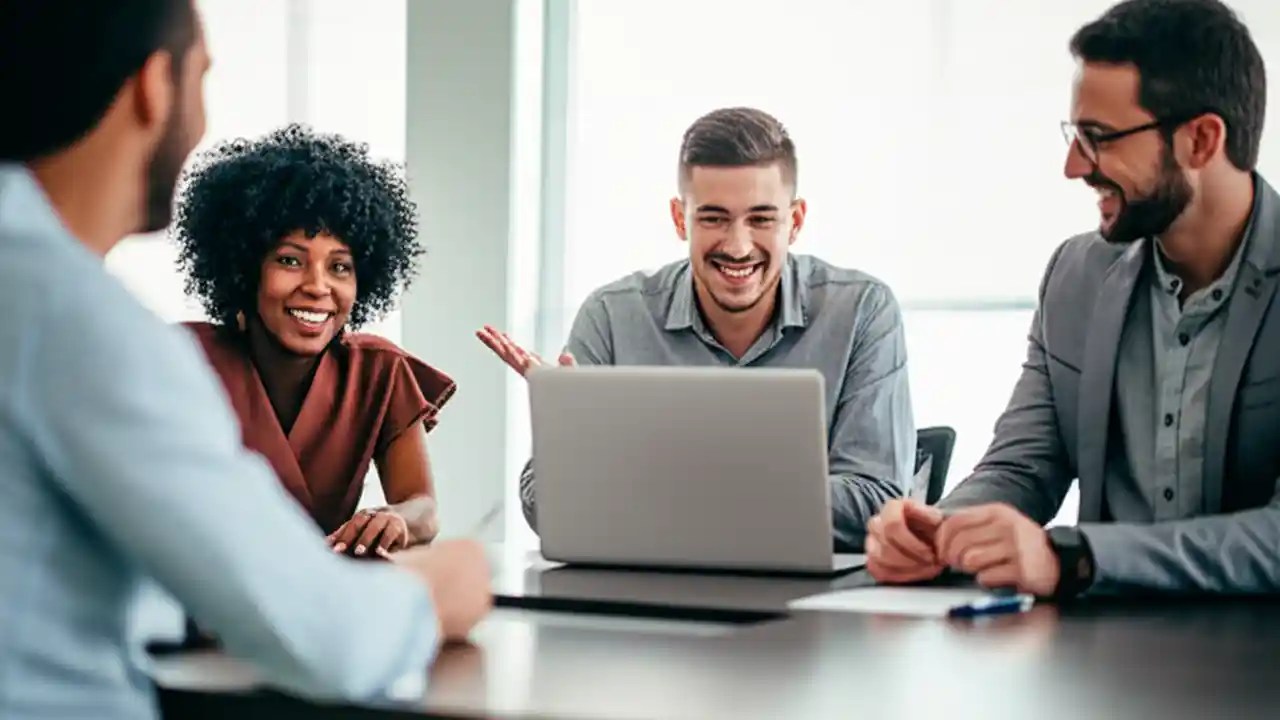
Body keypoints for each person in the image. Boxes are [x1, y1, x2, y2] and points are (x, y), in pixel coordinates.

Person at [0, 2, 490, 718]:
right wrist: (447, 582)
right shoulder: (85, 327)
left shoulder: (41, 299)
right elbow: (329, 639)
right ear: (154, 86)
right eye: (203, 78)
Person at [866, 0, 1280, 596]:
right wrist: (938, 532)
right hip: (1099, 660)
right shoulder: (1077, 274)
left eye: (1099, 138)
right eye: (1075, 135)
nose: (1072, 167)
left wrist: (1074, 557)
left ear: (1201, 139)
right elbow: (1022, 466)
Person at [478, 107, 916, 551]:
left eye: (761, 219)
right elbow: (544, 508)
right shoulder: (611, 316)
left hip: (813, 599)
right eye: (714, 218)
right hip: (645, 594)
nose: (738, 246)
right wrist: (574, 439)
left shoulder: (862, 311)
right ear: (678, 218)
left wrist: (653, 476)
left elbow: (877, 502)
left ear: (796, 221)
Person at [173, 125, 451, 557]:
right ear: (245, 269)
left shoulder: (379, 370)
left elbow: (423, 508)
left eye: (340, 267)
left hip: (320, 601)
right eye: (290, 261)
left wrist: (395, 519)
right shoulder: (185, 361)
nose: (318, 286)